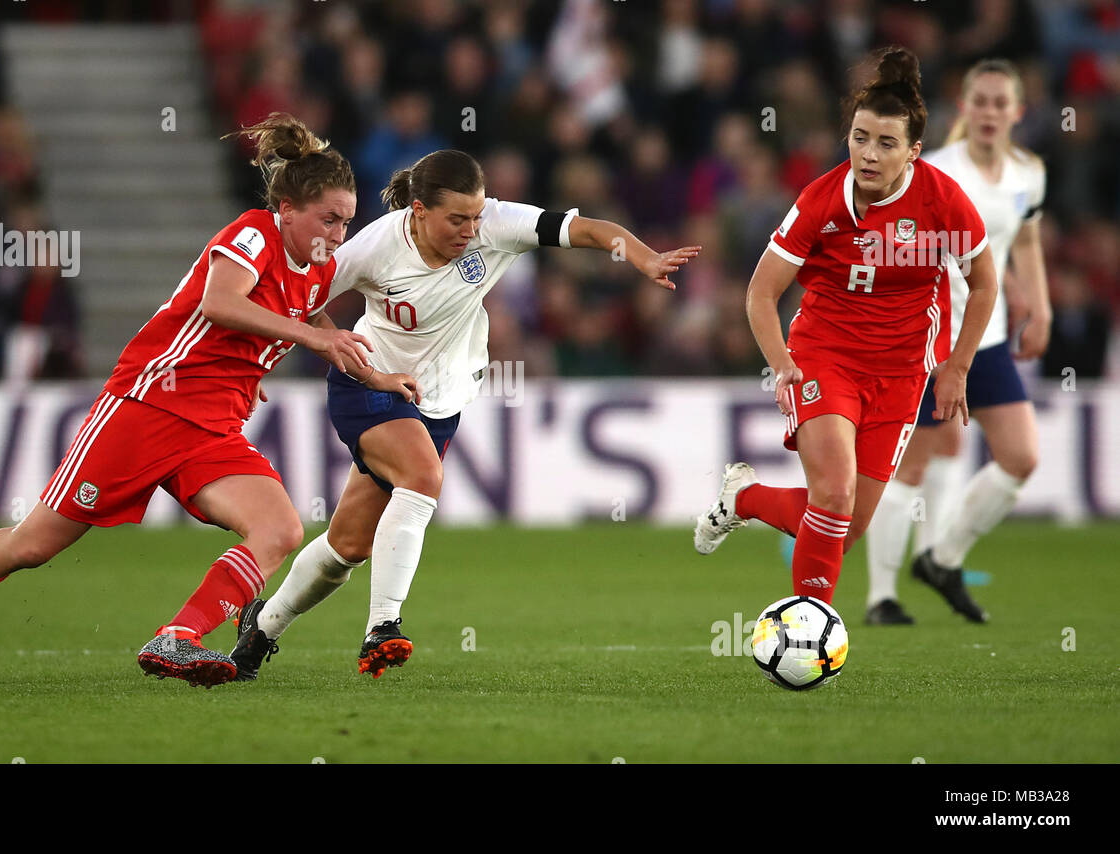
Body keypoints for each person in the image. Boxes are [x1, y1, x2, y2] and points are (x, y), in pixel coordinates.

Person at [0, 113, 418, 689]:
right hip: (148, 408)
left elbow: (307, 321)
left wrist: (374, 377)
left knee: (279, 528)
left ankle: (178, 637)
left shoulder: (310, 273)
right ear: (287, 210)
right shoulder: (254, 233)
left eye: (347, 223)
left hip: (212, 432)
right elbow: (219, 304)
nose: (338, 236)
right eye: (328, 219)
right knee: (32, 546)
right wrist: (314, 337)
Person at [229, 148, 701, 680]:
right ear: (417, 210)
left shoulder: (496, 225)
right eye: (457, 219)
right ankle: (383, 625)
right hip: (369, 382)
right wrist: (288, 357)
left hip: (440, 401)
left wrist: (642, 258)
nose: (470, 229)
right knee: (424, 475)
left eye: (476, 216)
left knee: (348, 547)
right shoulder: (376, 247)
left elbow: (588, 230)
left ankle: (260, 628)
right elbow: (297, 298)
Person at [693, 47, 998, 609]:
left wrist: (958, 366)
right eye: (860, 137)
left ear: (914, 152)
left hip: (903, 373)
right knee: (833, 494)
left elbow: (984, 283)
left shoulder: (942, 200)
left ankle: (747, 498)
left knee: (846, 525)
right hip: (824, 357)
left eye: (886, 143)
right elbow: (761, 292)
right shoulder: (820, 201)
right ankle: (811, 632)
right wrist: (783, 362)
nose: (869, 154)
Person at [864, 59, 1049, 625]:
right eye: (981, 101)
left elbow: (1024, 240)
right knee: (914, 463)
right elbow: (893, 239)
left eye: (1001, 103)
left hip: (985, 336)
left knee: (1020, 457)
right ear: (964, 108)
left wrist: (1038, 304)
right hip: (928, 334)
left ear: (1018, 112)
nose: (990, 112)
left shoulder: (1029, 173)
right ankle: (880, 597)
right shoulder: (934, 171)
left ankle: (942, 559)